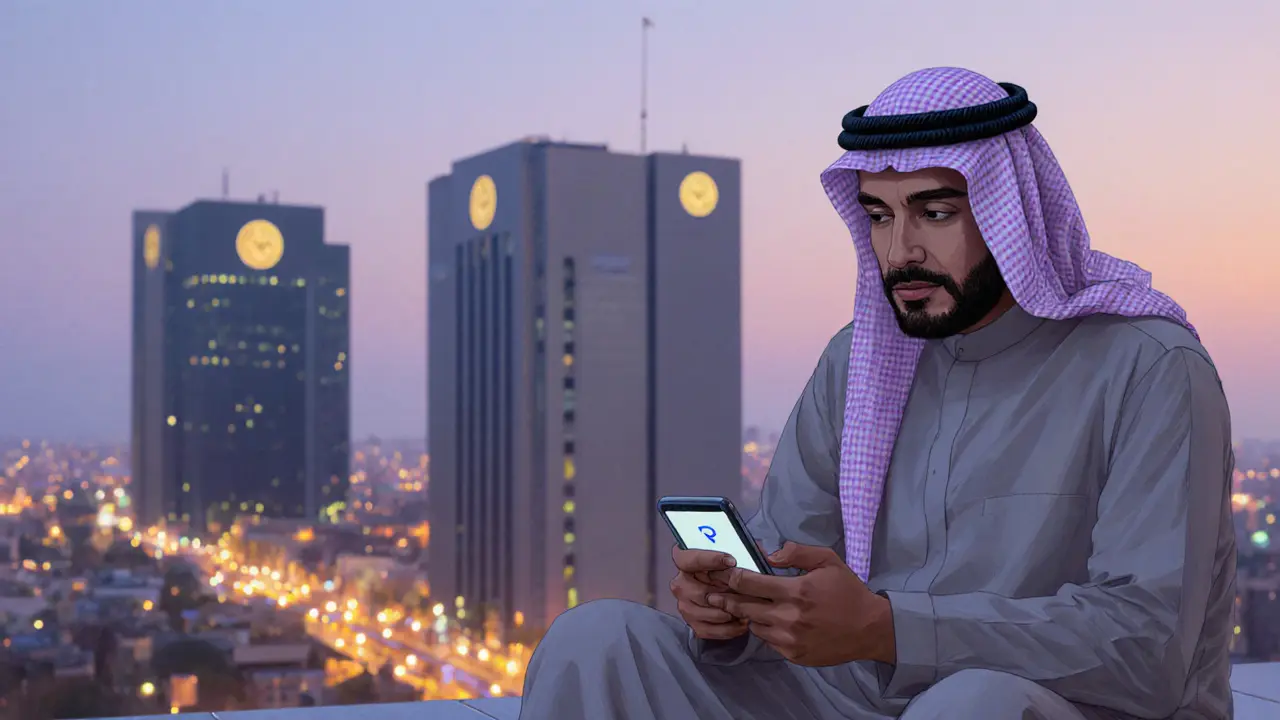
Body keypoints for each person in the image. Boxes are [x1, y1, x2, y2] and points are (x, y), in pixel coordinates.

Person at [518, 67, 1236, 720]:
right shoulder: (857, 360)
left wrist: (890, 627)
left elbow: (1146, 649)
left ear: (1012, 212)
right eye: (880, 216)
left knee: (970, 704)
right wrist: (737, 612)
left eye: (936, 212)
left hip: (1062, 706)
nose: (900, 252)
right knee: (597, 641)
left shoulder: (1149, 366)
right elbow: (791, 561)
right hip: (860, 696)